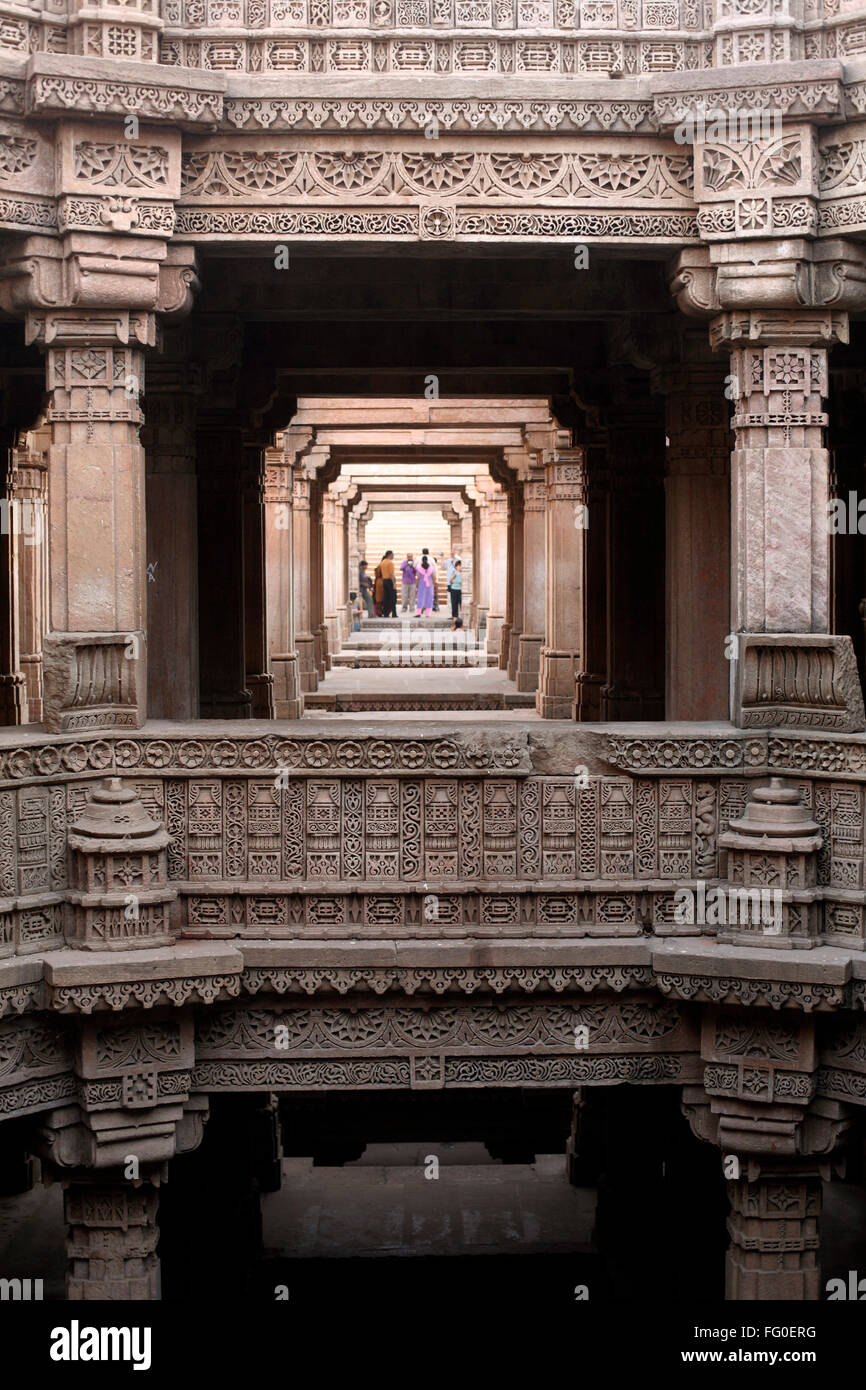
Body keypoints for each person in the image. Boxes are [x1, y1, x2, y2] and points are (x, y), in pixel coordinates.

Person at [380, 549, 397, 618]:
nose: (393, 556)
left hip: (384, 580)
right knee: (392, 597)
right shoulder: (390, 562)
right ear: (389, 555)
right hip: (389, 581)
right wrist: (394, 583)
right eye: (392, 555)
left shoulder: (383, 562)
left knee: (386, 598)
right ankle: (394, 613)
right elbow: (391, 574)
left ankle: (386, 613)